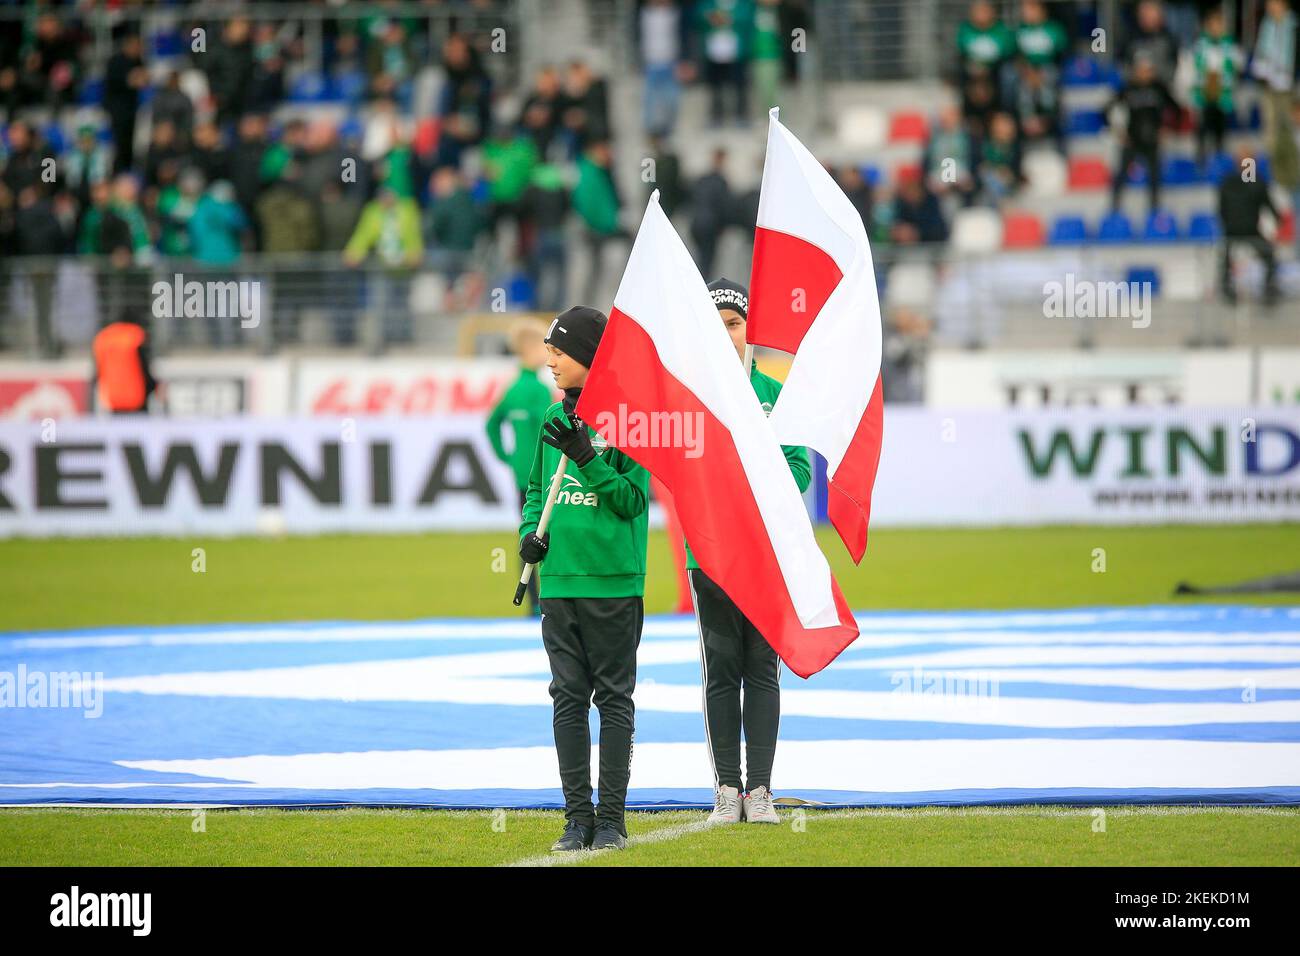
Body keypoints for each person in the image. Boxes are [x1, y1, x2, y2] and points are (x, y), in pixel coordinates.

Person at [519, 306, 649, 852]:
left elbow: (632, 500)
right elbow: (534, 491)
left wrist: (586, 457)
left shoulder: (631, 419)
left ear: (591, 357)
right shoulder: (552, 417)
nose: (550, 357)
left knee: (613, 699)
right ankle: (577, 819)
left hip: (614, 582)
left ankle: (613, 820)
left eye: (560, 349)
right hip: (562, 582)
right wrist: (530, 536)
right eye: (548, 347)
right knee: (567, 698)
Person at [688, 278, 809, 826]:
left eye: (734, 324)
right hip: (711, 554)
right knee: (721, 670)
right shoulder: (688, 396)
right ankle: (725, 789)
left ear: (749, 330)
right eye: (715, 327)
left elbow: (803, 470)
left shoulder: (776, 396)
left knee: (762, 666)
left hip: (765, 553)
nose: (726, 335)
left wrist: (758, 469)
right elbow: (681, 475)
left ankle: (759, 791)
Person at [487, 320, 555, 616]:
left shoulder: (513, 389)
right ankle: (549, 598)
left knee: (527, 533)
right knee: (551, 533)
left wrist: (508, 456)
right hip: (544, 474)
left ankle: (531, 598)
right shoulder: (540, 390)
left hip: (521, 474)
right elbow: (552, 428)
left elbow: (491, 425)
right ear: (530, 349)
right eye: (545, 347)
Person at [1109, 56, 1177, 214]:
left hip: (1153, 140)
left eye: (1148, 71)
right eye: (1142, 71)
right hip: (1132, 139)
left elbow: (1177, 109)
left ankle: (1154, 209)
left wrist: (1167, 127)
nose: (1145, 74)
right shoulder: (1128, 88)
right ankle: (1114, 208)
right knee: (1121, 174)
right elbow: (1108, 108)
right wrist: (1117, 131)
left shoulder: (1159, 88)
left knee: (1154, 177)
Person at [1218, 144, 1280, 307]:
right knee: (1270, 257)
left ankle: (1226, 288)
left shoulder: (1227, 182)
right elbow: (1270, 207)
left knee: (1225, 258)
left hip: (1231, 231)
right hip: (1251, 231)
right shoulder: (1257, 181)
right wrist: (1278, 221)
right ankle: (1269, 290)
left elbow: (1221, 210)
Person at [1192, 8, 1242, 166]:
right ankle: (1201, 155)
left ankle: (1219, 154)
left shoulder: (1230, 44)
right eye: (1213, 25)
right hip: (1206, 85)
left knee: (1220, 122)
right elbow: (1195, 63)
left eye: (1219, 25)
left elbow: (1238, 63)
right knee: (1204, 122)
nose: (1216, 28)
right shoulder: (1201, 44)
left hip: (1222, 86)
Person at [92, 313, 157, 414]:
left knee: (119, 428)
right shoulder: (135, 335)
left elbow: (98, 371)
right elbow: (143, 367)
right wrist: (154, 385)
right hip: (136, 397)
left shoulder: (104, 337)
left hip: (114, 398)